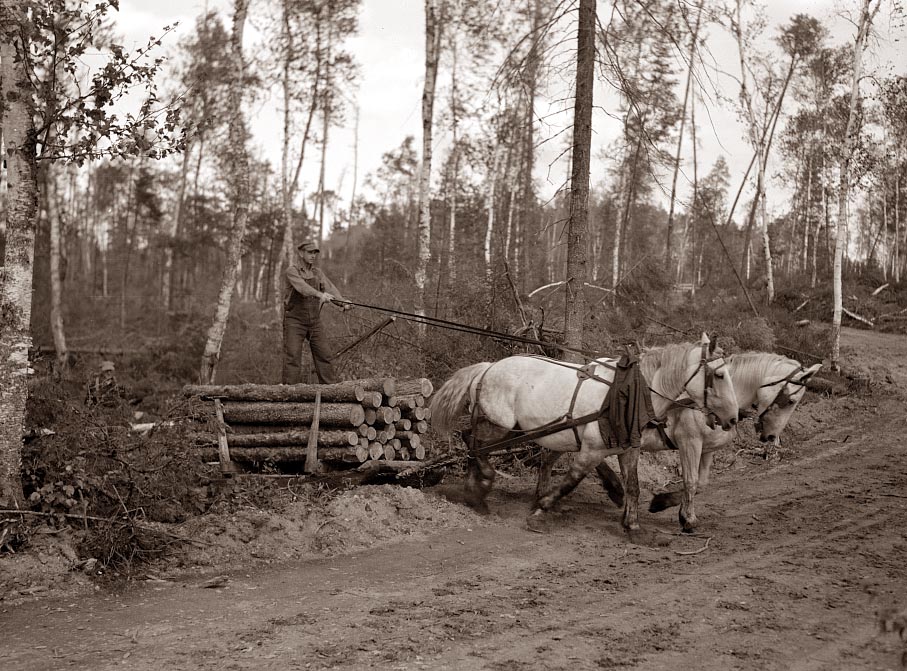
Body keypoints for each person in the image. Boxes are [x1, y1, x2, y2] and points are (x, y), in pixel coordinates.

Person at [282, 240, 351, 385]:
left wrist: (342, 302)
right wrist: (320, 295)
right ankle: (288, 396)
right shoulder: (292, 271)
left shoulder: (317, 272)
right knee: (293, 358)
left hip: (314, 321)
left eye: (315, 253)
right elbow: (302, 288)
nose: (313, 255)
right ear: (301, 253)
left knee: (325, 356)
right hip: (294, 321)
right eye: (309, 252)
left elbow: (330, 289)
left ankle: (330, 392)